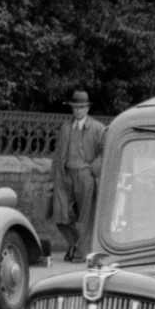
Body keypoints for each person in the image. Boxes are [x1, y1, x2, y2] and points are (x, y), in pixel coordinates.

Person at [49, 88, 106, 261]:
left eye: (81, 107)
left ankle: (82, 253)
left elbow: (105, 152)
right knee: (60, 215)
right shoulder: (66, 127)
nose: (78, 110)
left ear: (87, 108)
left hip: (85, 175)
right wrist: (55, 177)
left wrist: (91, 170)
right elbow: (58, 154)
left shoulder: (98, 128)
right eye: (75, 107)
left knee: (85, 217)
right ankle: (75, 244)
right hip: (65, 175)